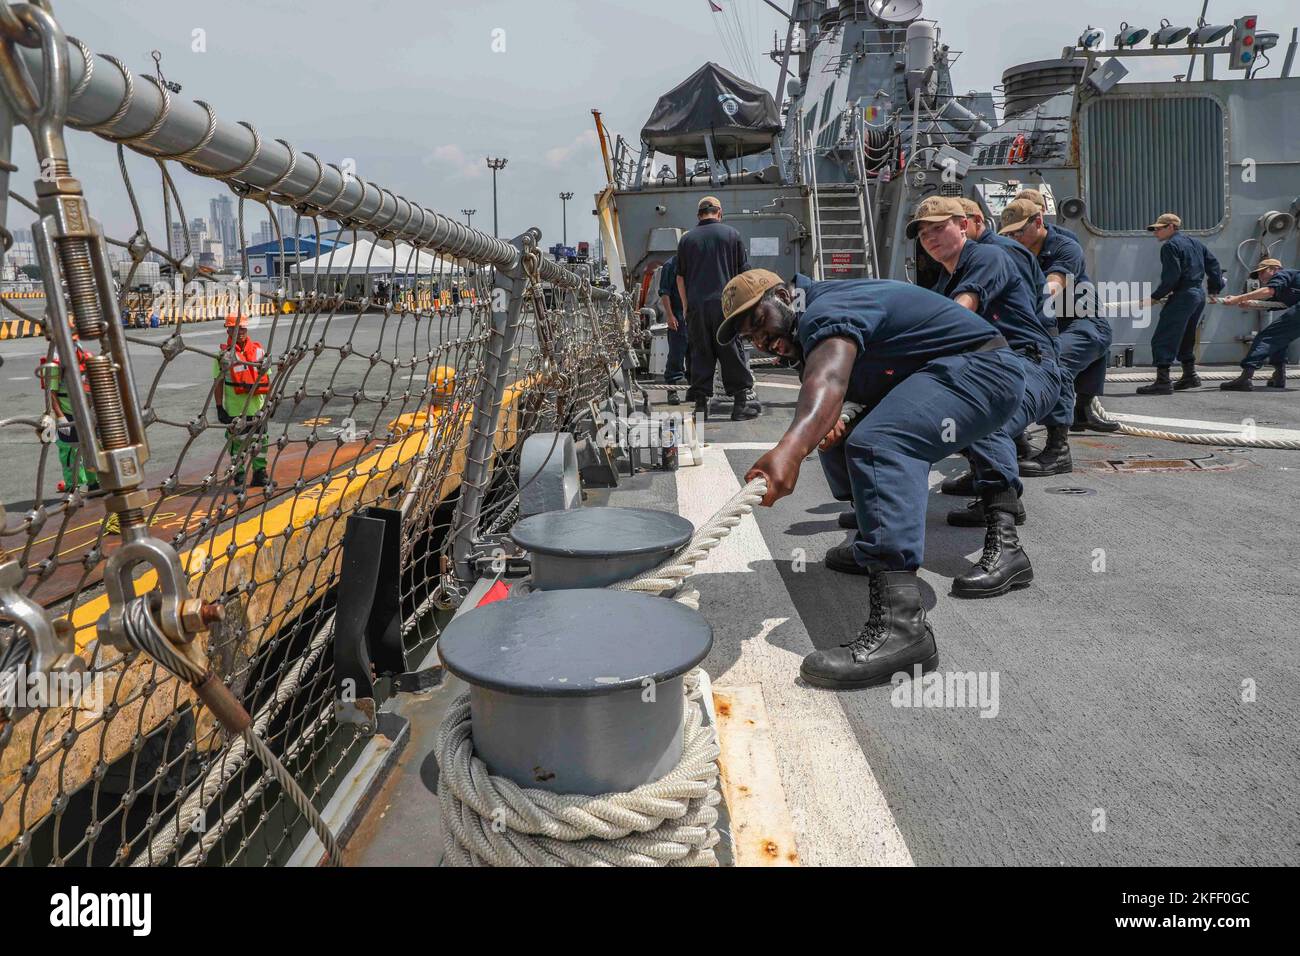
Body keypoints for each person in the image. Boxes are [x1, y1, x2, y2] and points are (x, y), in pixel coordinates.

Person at [719, 269, 1026, 688]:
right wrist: (836, 417)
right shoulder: (811, 324)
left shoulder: (823, 309)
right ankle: (874, 535)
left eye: (759, 323)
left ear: (785, 296)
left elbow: (827, 378)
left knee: (881, 444)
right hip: (939, 371)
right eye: (748, 338)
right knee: (843, 438)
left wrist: (789, 451)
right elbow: (845, 385)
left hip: (982, 369)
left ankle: (903, 632)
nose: (760, 342)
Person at [910, 199, 1062, 593]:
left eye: (937, 228)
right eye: (923, 234)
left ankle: (1009, 550)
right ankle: (879, 523)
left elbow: (962, 314)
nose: (929, 238)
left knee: (983, 412)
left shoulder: (988, 256)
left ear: (963, 225)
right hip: (999, 367)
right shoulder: (945, 281)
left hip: (1032, 366)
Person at [1001, 198, 1115, 477]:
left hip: (1085, 324)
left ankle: (1059, 452)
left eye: (1019, 232)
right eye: (1010, 234)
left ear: (1038, 222)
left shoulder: (1065, 247)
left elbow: (1053, 285)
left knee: (1055, 366)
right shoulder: (1018, 251)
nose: (1015, 238)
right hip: (1050, 330)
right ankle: (1017, 442)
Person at [675, 196, 760, 420]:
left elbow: (680, 278)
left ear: (699, 214)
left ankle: (701, 407)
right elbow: (744, 275)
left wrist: (686, 306)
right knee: (731, 352)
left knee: (700, 353)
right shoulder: (732, 235)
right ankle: (740, 406)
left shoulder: (686, 240)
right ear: (719, 212)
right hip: (726, 305)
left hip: (697, 306)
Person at [1138, 213, 1224, 394]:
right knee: (1186, 335)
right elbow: (1214, 265)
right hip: (1198, 296)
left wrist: (1154, 297)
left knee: (1164, 336)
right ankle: (1190, 375)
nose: (1155, 232)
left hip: (1183, 295)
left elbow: (1172, 276)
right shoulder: (1196, 244)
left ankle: (1163, 381)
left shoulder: (1170, 246)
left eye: (1158, 229)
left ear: (1171, 227)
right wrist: (1214, 289)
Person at [1220, 258, 1300, 391]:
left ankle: (1246, 377)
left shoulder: (1282, 274)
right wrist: (1250, 303)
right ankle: (1279, 376)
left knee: (1267, 337)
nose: (1260, 278)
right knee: (1280, 338)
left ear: (1273, 269)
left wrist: (1238, 298)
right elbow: (1277, 304)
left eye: (1261, 273)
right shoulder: (1289, 285)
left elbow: (1268, 292)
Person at [212, 313, 271, 489]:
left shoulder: (259, 351)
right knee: (237, 444)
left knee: (262, 441)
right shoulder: (223, 356)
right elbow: (218, 382)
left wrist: (269, 402)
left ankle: (260, 474)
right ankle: (238, 476)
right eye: (236, 328)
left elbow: (268, 379)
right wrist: (219, 407)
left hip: (258, 407)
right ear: (229, 330)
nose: (241, 331)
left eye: (243, 328)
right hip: (235, 410)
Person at [656, 254, 690, 403]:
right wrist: (670, 316)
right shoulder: (670, 265)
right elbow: (664, 292)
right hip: (678, 315)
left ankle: (694, 390)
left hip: (693, 315)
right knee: (676, 353)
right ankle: (672, 390)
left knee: (695, 355)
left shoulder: (695, 262)